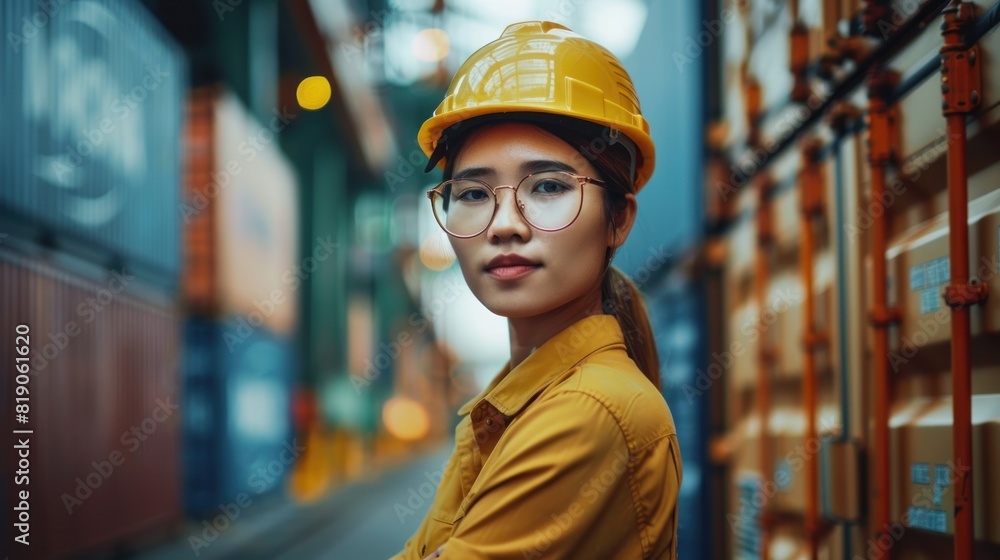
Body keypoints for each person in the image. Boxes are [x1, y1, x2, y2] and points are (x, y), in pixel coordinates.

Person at [391, 20, 681, 560]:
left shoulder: (589, 412)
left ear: (618, 219)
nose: (504, 225)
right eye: (473, 193)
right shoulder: (511, 407)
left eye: (548, 186)